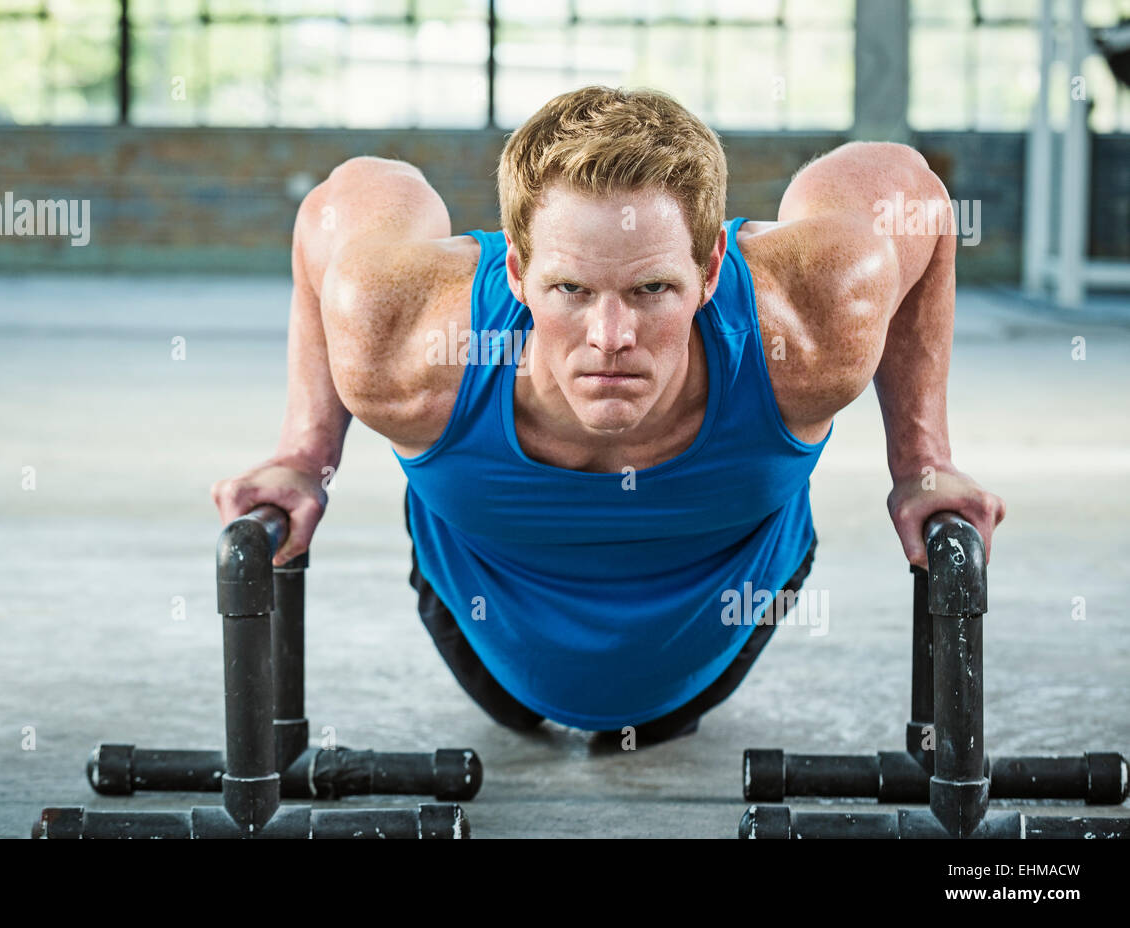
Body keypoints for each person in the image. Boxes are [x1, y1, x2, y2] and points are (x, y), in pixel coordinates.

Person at [211, 85, 1006, 745]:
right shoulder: (411, 344)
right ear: (517, 273)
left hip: (714, 637)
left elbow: (910, 188)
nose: (612, 338)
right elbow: (337, 209)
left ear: (710, 269)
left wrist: (922, 463)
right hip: (483, 630)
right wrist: (304, 452)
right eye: (572, 290)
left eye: (653, 289)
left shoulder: (809, 321)